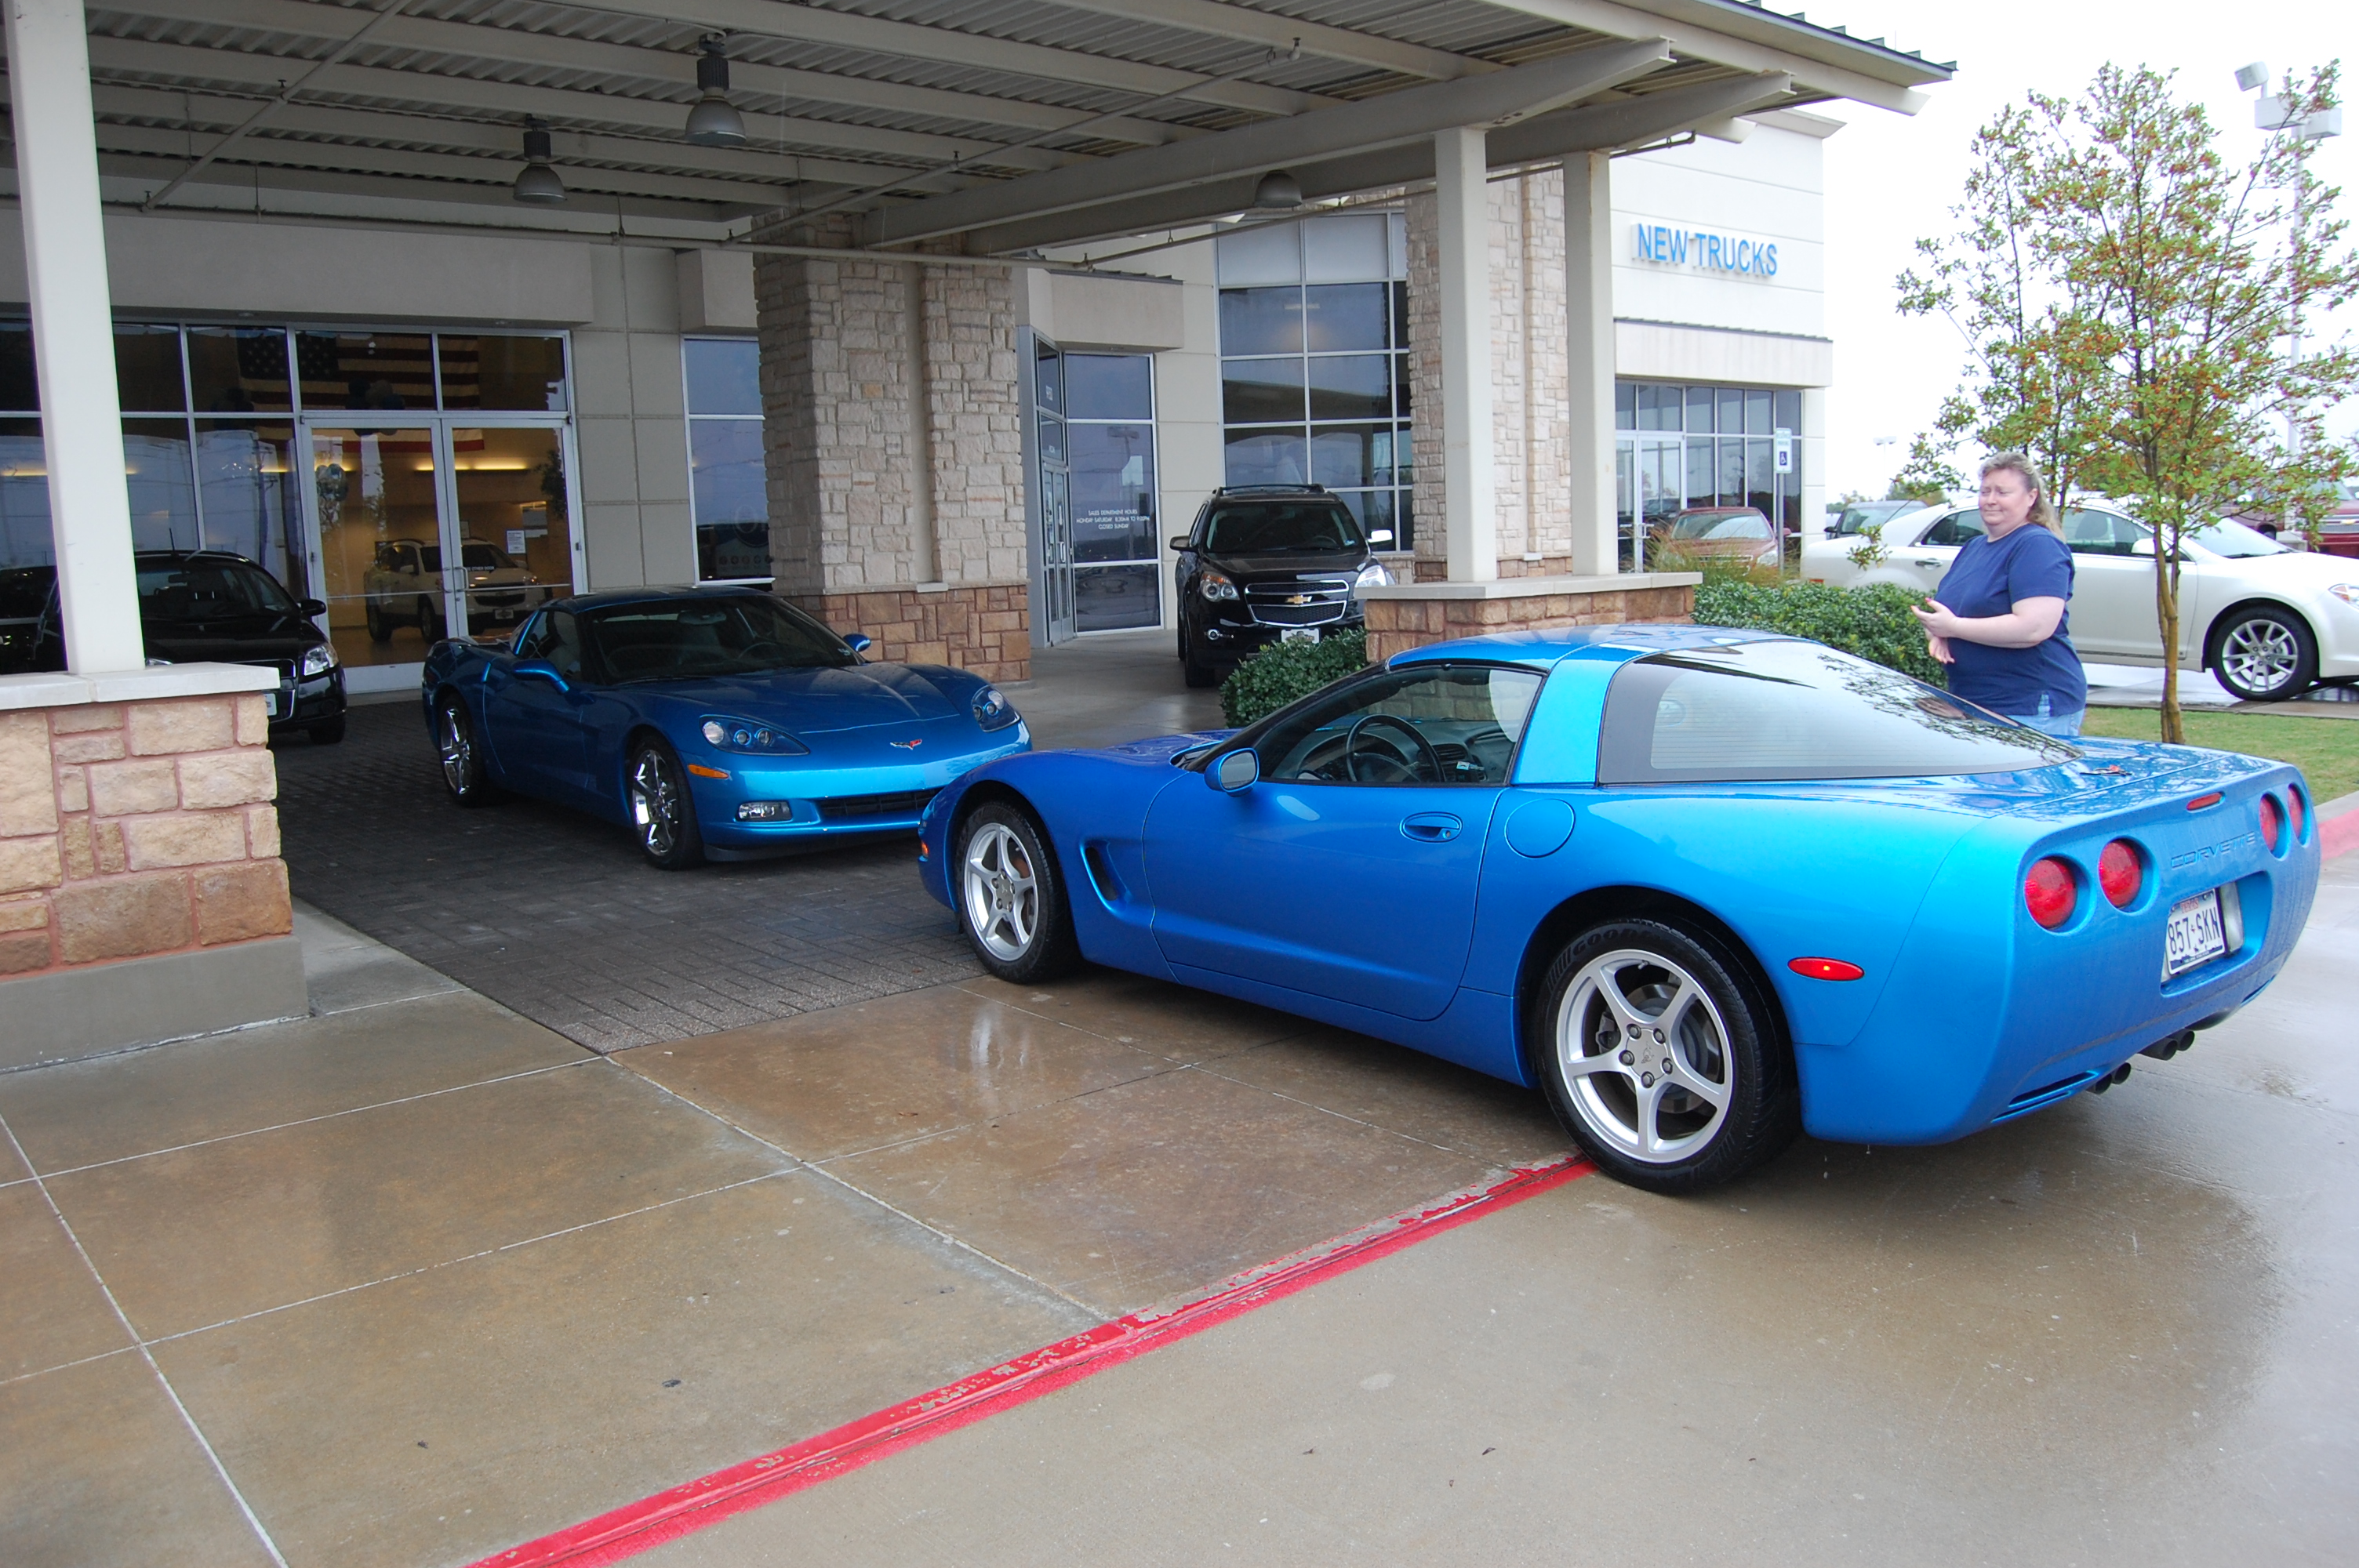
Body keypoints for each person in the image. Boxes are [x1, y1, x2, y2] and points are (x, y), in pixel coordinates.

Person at [1908, 452, 2086, 738]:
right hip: (1973, 702)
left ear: (2031, 497)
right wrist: (1939, 633)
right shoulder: (1975, 547)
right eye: (1985, 491)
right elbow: (1950, 611)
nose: (1991, 499)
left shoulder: (2037, 546)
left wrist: (1954, 628)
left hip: (2029, 706)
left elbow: (2034, 628)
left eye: (2003, 492)